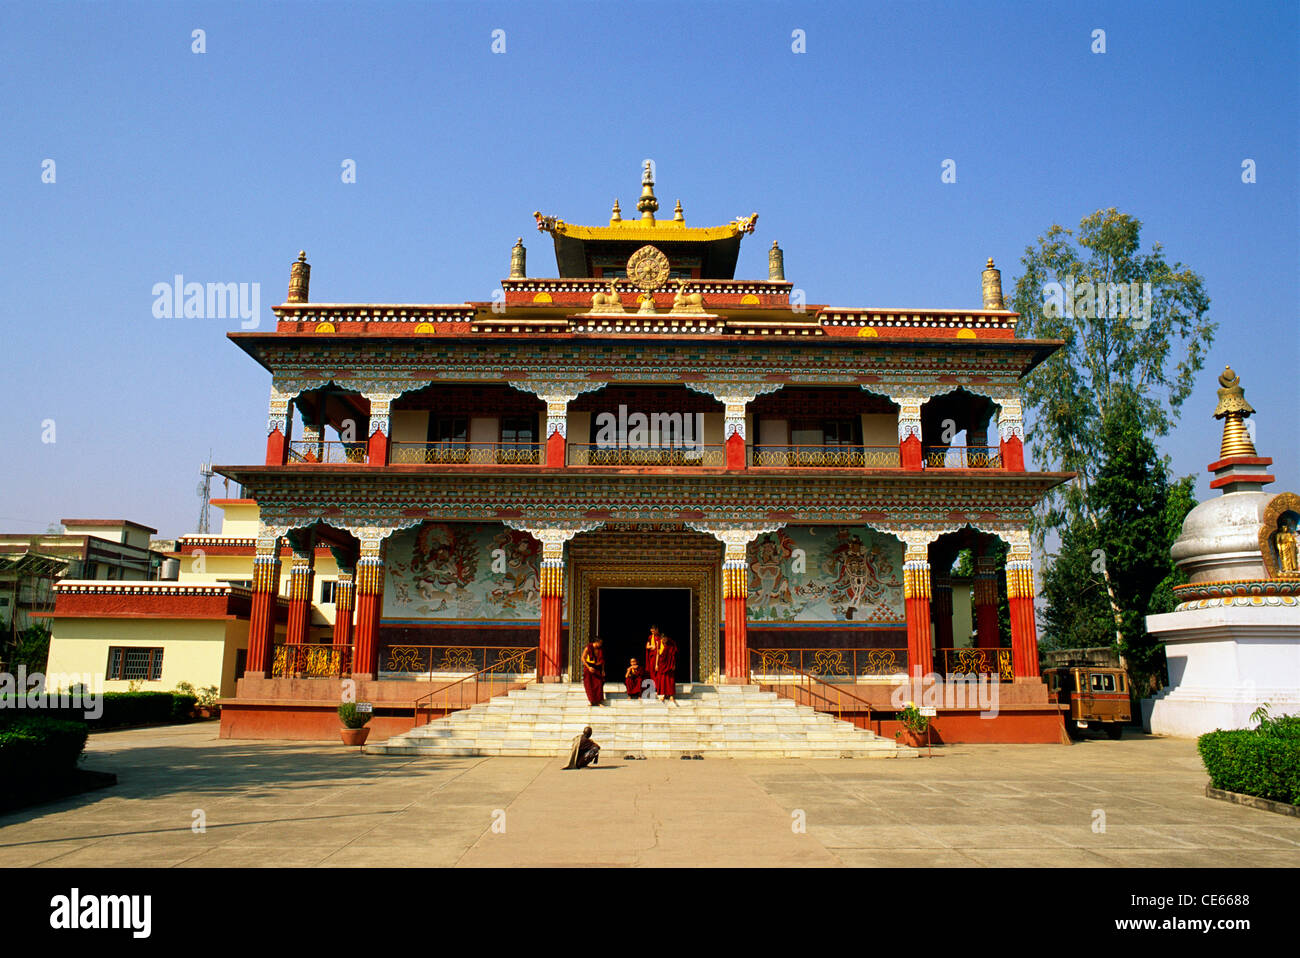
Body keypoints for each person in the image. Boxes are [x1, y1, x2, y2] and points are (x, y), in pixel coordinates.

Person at [582, 637, 606, 706]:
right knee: (589, 685)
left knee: (599, 684)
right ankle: (592, 701)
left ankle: (598, 702)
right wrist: (588, 667)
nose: (601, 645)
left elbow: (602, 661)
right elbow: (583, 658)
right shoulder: (588, 648)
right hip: (589, 667)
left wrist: (603, 670)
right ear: (596, 642)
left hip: (597, 668)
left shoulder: (600, 650)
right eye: (600, 643)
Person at [657, 633, 678, 701]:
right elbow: (658, 654)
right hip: (662, 664)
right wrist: (656, 664)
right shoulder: (659, 644)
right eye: (663, 639)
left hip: (669, 664)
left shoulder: (671, 645)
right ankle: (663, 695)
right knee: (662, 680)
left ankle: (671, 695)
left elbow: (673, 656)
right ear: (661, 639)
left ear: (667, 638)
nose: (664, 640)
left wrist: (674, 664)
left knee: (670, 680)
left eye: (665, 638)